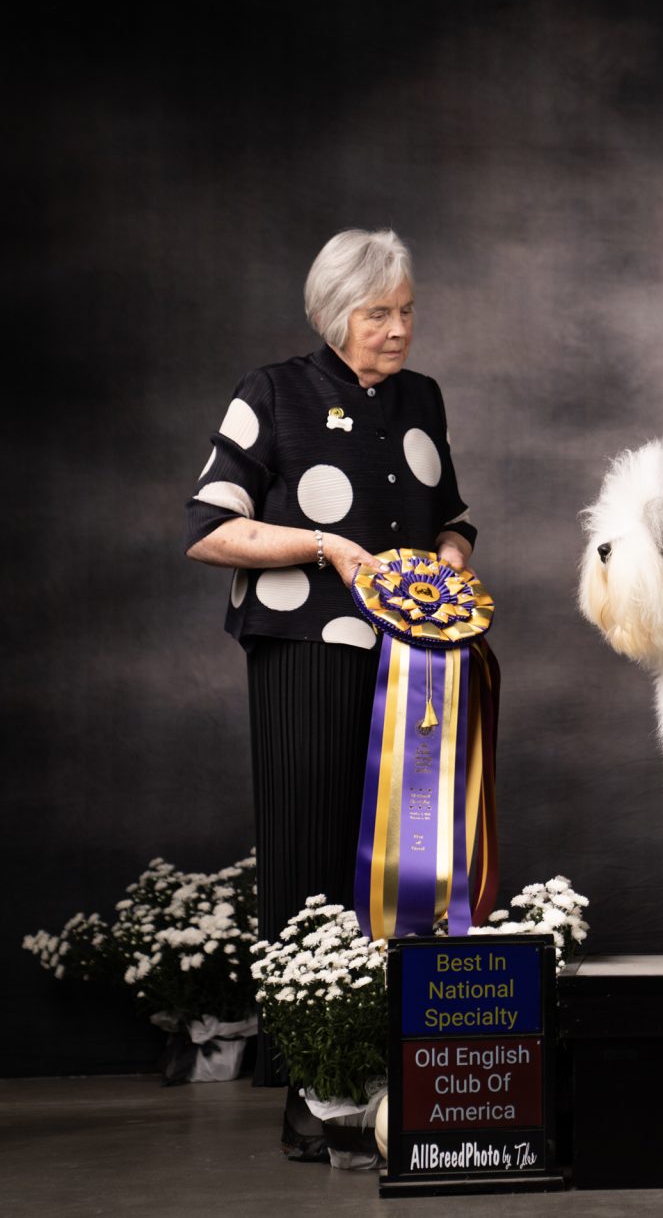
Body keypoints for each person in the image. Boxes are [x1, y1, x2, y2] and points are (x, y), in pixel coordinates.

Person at [185, 229, 477, 1122]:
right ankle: (310, 1093)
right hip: (306, 653)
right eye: (378, 313)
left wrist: (454, 562)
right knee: (312, 863)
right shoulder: (270, 392)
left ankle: (392, 1067)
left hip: (414, 665)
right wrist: (326, 546)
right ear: (332, 313)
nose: (398, 329)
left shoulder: (423, 399)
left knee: (403, 864)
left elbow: (451, 517)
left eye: (407, 310)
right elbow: (209, 525)